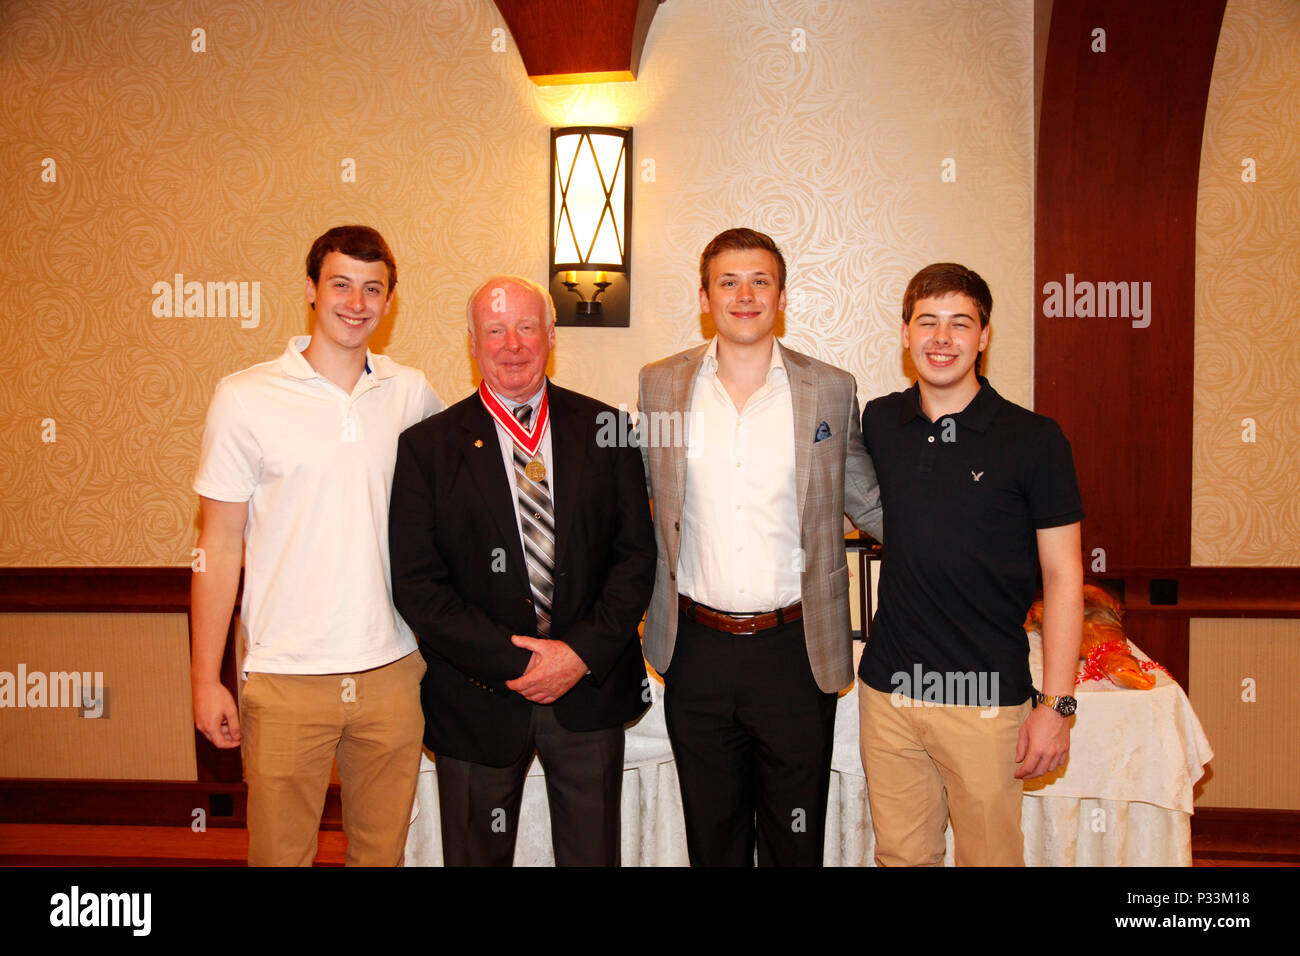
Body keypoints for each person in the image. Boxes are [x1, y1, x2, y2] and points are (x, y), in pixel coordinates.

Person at [190, 225, 443, 866]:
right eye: (340, 285)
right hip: (284, 676)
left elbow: (456, 518)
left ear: (389, 302)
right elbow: (218, 550)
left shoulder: (410, 394)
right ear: (310, 290)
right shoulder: (244, 397)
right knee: (280, 858)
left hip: (392, 671)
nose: (355, 303)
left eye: (372, 289)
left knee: (382, 856)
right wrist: (205, 680)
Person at [389, 275, 655, 866]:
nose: (512, 344)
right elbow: (417, 583)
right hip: (476, 696)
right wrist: (521, 662)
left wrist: (577, 654)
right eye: (495, 329)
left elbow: (636, 558)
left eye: (526, 327)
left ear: (551, 334)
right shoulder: (427, 447)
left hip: (587, 692)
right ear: (472, 341)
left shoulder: (608, 430)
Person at [637, 227, 884, 866]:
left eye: (760, 281)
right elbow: (632, 503)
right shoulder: (661, 386)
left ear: (781, 296)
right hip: (696, 651)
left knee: (794, 843)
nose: (744, 295)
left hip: (796, 653)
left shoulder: (829, 389)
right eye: (728, 281)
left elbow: (867, 500)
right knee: (712, 842)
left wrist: (968, 536)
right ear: (704, 296)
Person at [857, 262, 1084, 866]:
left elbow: (1064, 578)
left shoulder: (1035, 440)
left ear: (983, 336)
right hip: (889, 692)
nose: (941, 337)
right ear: (904, 333)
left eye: (960, 323)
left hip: (985, 698)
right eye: (927, 321)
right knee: (901, 859)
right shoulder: (880, 421)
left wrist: (1057, 706)